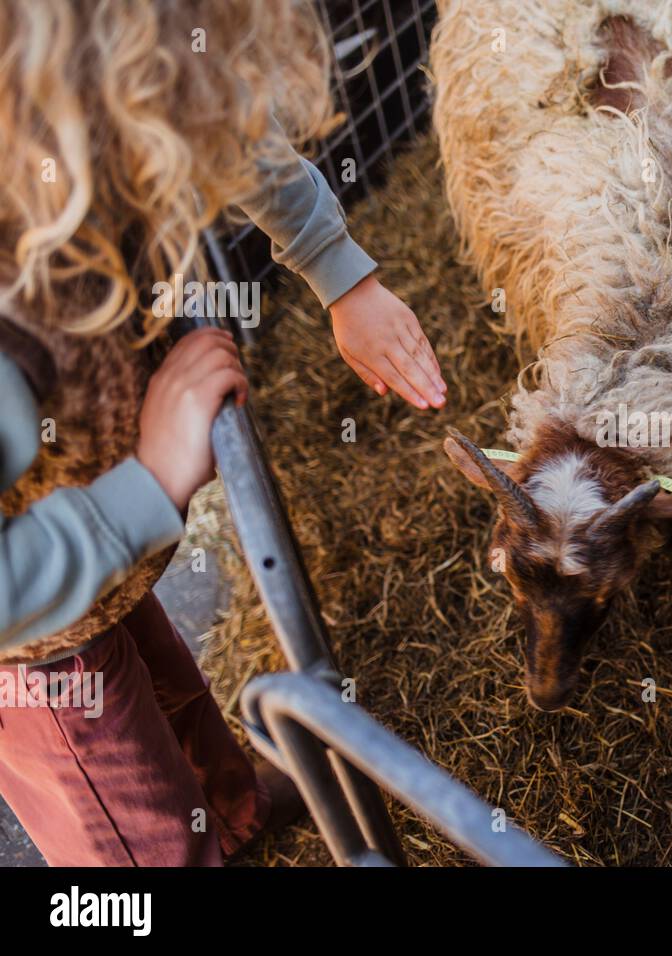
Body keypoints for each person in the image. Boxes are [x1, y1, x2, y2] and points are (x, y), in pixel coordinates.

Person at [0, 0, 445, 865]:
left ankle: (231, 811)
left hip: (96, 563)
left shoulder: (101, 118)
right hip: (34, 655)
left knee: (163, 680)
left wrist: (338, 271)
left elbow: (218, 122)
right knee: (136, 827)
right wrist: (150, 482)